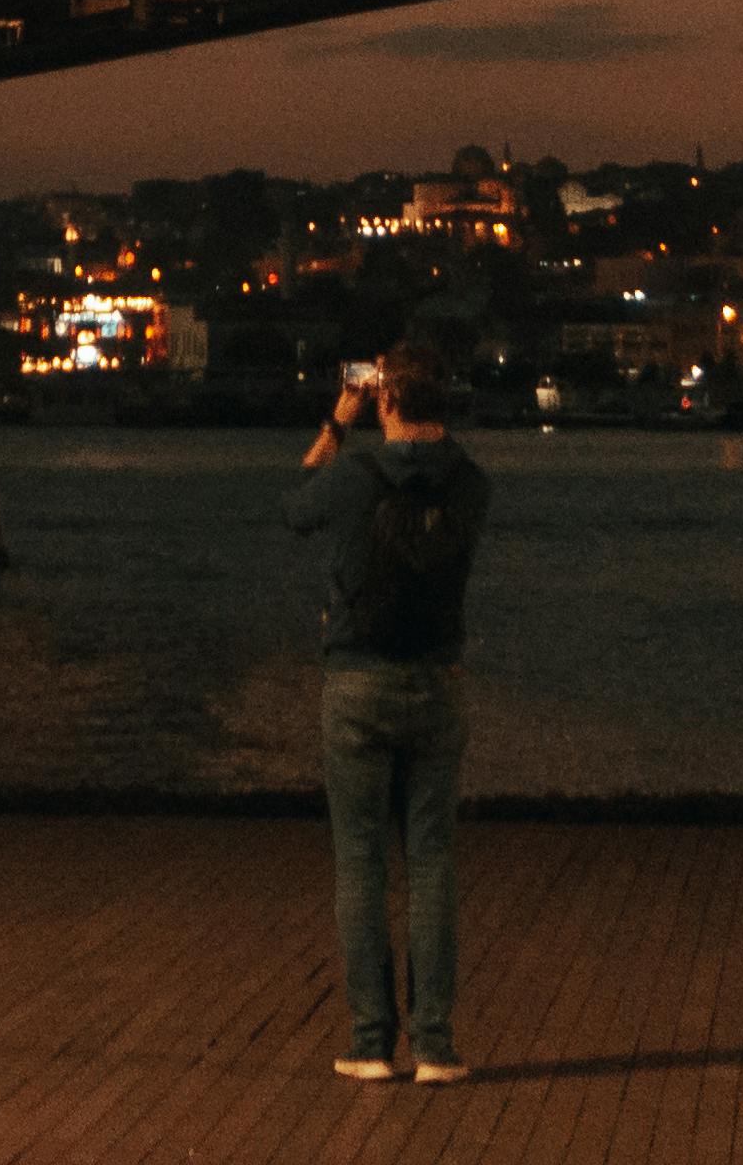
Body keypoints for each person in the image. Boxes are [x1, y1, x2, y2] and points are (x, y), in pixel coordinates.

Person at [282, 339, 487, 1085]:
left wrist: (338, 423)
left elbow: (294, 508)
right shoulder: (471, 484)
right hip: (437, 679)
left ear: (384, 397)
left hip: (357, 680)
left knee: (360, 860)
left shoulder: (353, 477)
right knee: (432, 860)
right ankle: (435, 1045)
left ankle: (371, 1043)